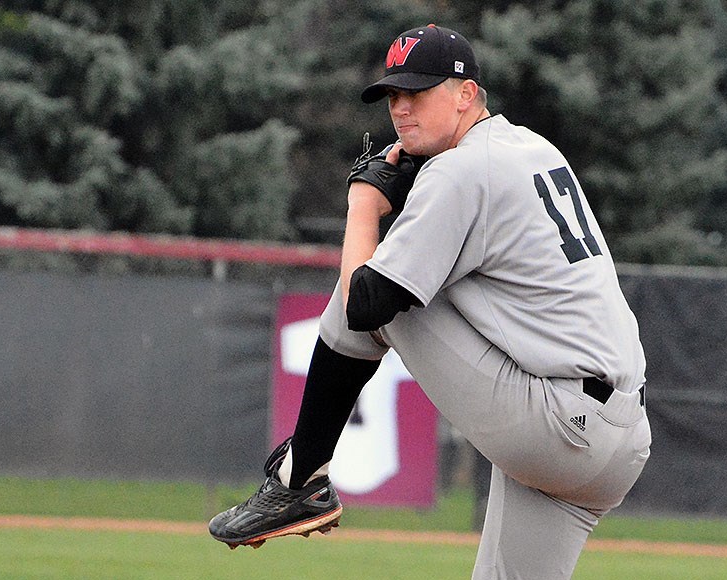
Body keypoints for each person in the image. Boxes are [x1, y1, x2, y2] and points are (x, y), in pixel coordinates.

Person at [209, 24, 651, 580]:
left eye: (417, 92)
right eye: (393, 95)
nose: (400, 108)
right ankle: (302, 477)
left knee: (375, 290)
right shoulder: (528, 146)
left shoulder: (459, 169)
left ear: (466, 94)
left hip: (556, 424)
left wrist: (363, 204)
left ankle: (300, 478)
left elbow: (366, 305)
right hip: (617, 436)